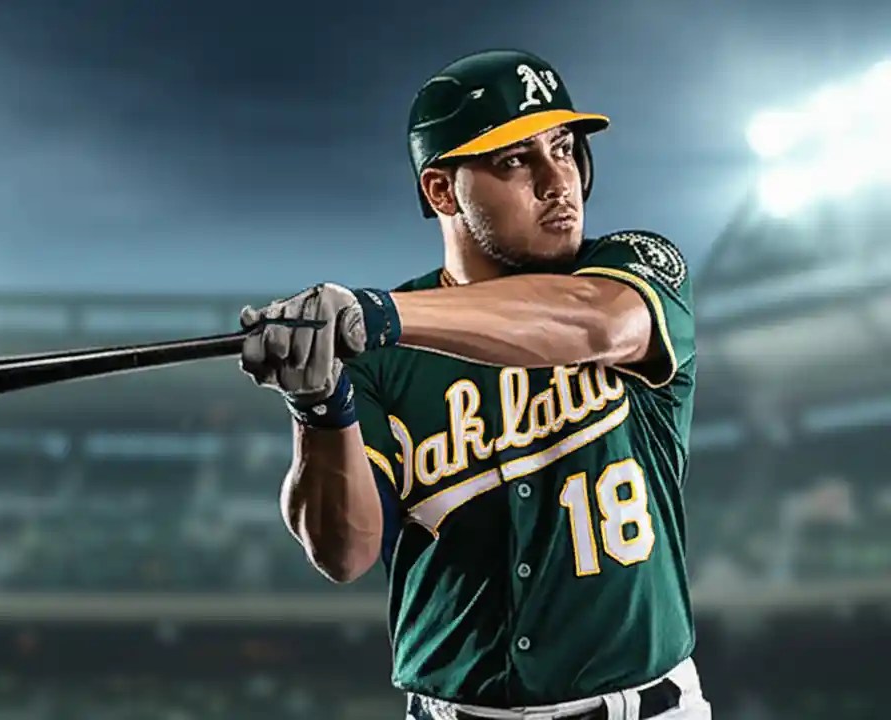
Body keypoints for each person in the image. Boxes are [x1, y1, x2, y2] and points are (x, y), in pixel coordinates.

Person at [238, 49, 711, 720]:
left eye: (565, 149)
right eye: (516, 160)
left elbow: (597, 325)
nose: (559, 181)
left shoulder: (635, 267)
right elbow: (345, 552)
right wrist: (317, 405)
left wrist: (377, 315)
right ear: (440, 191)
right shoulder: (376, 357)